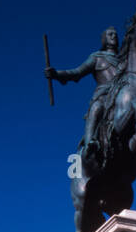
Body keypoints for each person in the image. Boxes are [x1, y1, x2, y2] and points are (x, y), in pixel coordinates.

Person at [46, 26, 123, 170]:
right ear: (104, 39)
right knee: (97, 107)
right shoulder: (97, 57)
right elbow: (77, 72)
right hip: (104, 96)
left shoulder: (124, 61)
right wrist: (57, 74)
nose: (114, 36)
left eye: (116, 34)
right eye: (110, 34)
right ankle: (89, 144)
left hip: (122, 97)